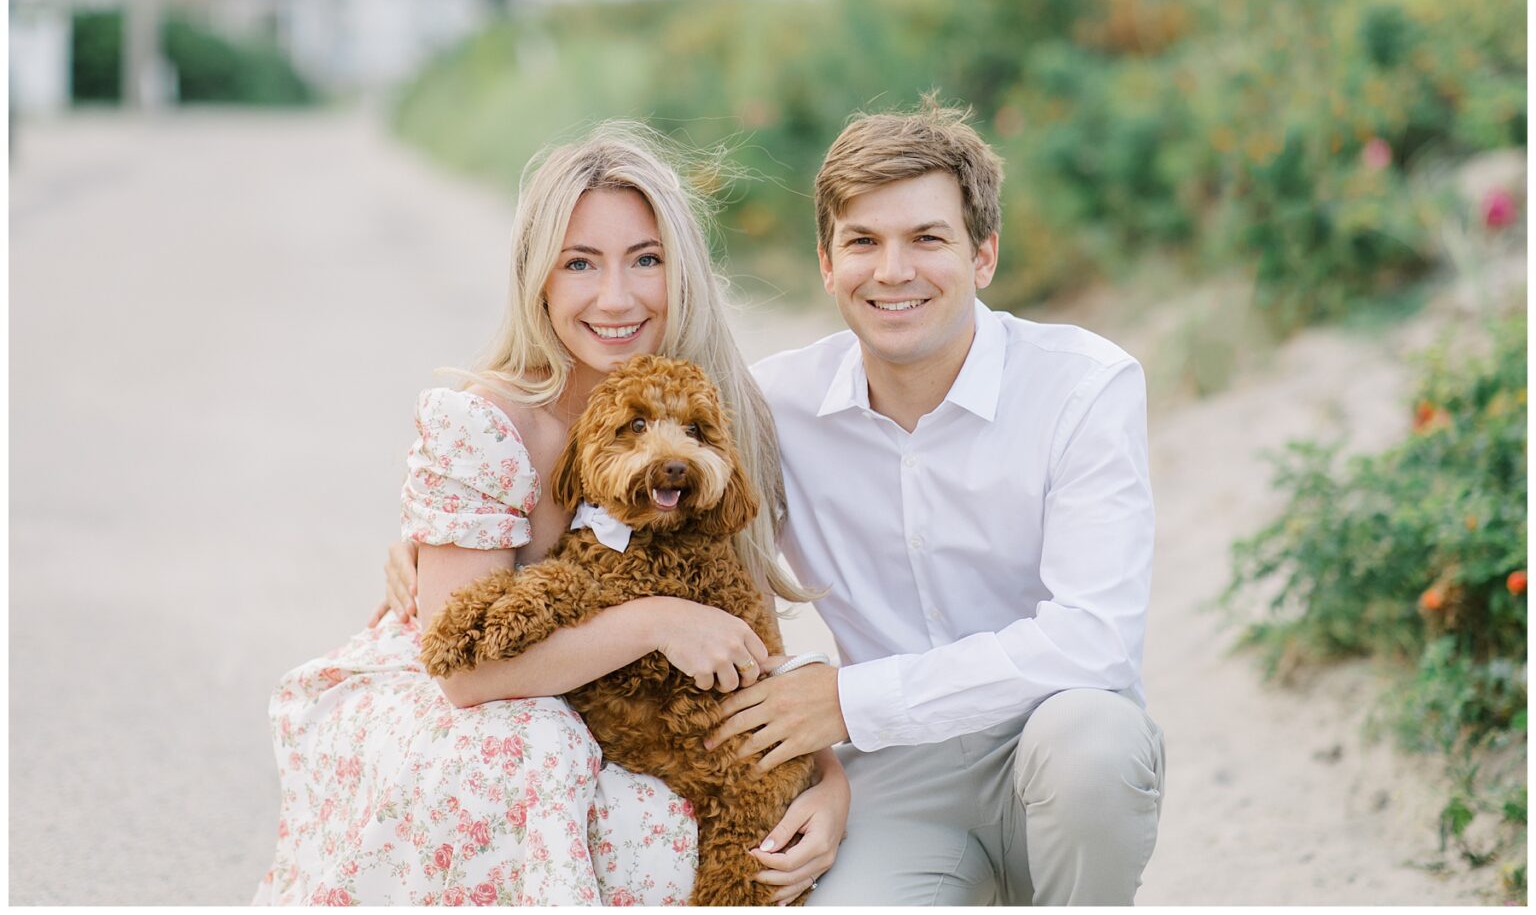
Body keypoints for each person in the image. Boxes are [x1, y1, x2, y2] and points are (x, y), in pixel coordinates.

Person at [386, 100, 1165, 905]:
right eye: (863, 242)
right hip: (892, 775)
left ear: (985, 254)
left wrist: (844, 704)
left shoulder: (1082, 387)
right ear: (827, 265)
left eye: (927, 239)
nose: (893, 271)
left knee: (1095, 743)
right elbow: (677, 560)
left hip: (1042, 745)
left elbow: (1095, 641)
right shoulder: (768, 408)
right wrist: (421, 544)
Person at [258, 123, 848, 906]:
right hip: (479, 706)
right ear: (539, 280)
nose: (617, 297)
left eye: (647, 259)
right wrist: (655, 620)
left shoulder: (714, 417)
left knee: (701, 827)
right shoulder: (491, 422)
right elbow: (465, 676)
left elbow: (742, 644)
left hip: (639, 708)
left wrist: (830, 786)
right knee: (523, 760)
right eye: (580, 263)